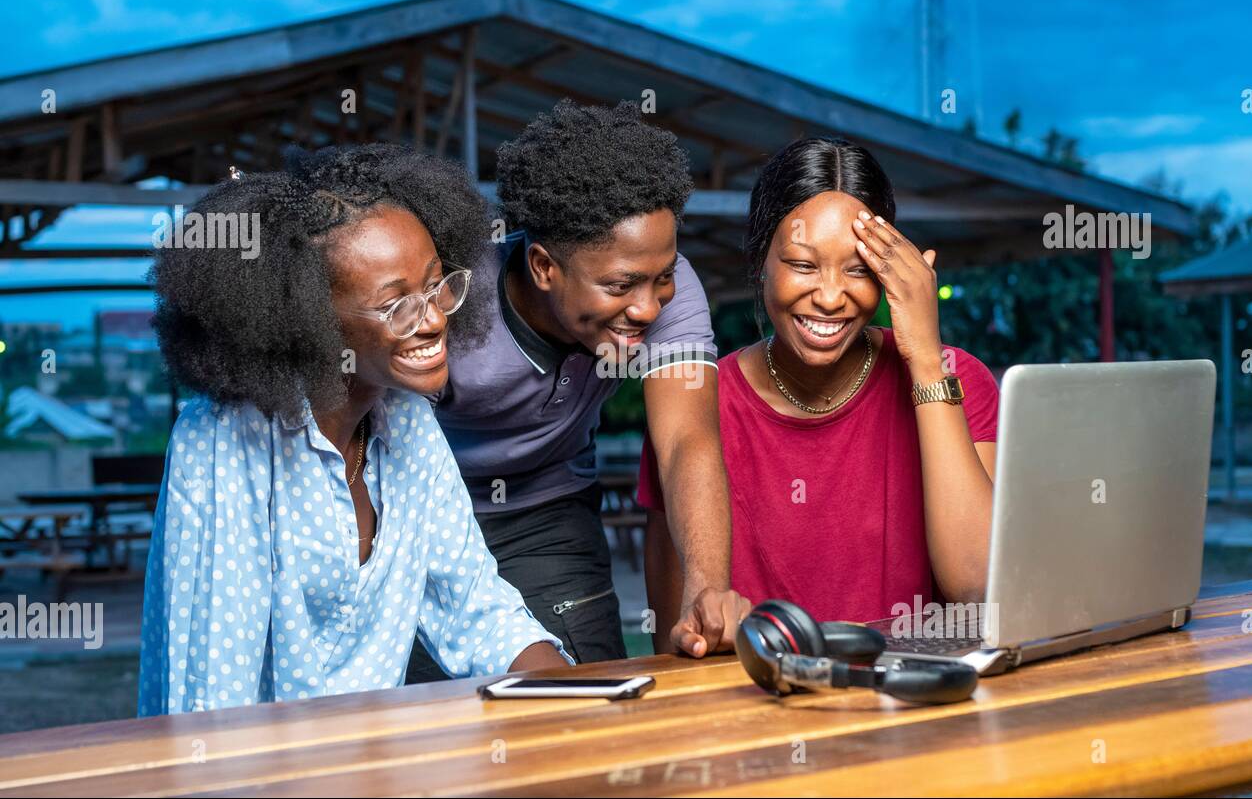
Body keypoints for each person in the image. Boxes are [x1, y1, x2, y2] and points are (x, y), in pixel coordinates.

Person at [138, 144, 569, 717]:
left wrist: (578, 694)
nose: (435, 318)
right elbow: (215, 693)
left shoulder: (408, 420)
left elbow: (472, 606)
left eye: (437, 285)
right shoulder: (223, 441)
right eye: (394, 305)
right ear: (308, 321)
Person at [418, 99, 748, 670]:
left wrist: (706, 591)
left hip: (549, 516)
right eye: (621, 285)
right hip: (424, 516)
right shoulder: (452, 300)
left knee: (596, 700)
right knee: (435, 716)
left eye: (662, 276)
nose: (648, 307)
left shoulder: (672, 289)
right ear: (545, 267)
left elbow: (686, 442)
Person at [638, 136, 999, 626]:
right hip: (754, 692)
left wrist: (925, 359)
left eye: (858, 269)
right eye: (803, 265)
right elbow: (678, 637)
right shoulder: (696, 403)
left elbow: (976, 587)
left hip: (911, 690)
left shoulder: (955, 378)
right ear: (760, 263)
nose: (830, 297)